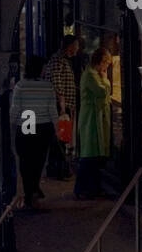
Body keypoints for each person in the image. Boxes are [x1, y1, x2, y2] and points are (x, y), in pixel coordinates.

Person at [10, 56, 58, 206]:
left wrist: (10, 125)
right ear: (39, 69)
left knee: (25, 160)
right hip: (44, 126)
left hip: (27, 123)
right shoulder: (48, 86)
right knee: (39, 160)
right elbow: (52, 110)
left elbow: (15, 109)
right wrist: (57, 127)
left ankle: (29, 190)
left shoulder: (20, 86)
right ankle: (34, 187)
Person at [74, 47, 112, 199]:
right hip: (91, 119)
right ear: (101, 62)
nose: (106, 67)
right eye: (106, 64)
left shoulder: (92, 74)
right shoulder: (90, 75)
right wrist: (105, 80)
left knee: (94, 158)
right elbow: (102, 91)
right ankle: (83, 189)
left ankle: (92, 188)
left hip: (95, 118)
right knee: (89, 156)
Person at [44, 36, 79, 179]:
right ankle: (59, 170)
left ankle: (57, 169)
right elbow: (57, 85)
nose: (78, 49)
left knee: (60, 139)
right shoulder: (58, 60)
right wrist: (63, 108)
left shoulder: (62, 60)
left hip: (63, 106)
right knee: (60, 139)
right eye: (76, 45)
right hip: (60, 107)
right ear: (69, 46)